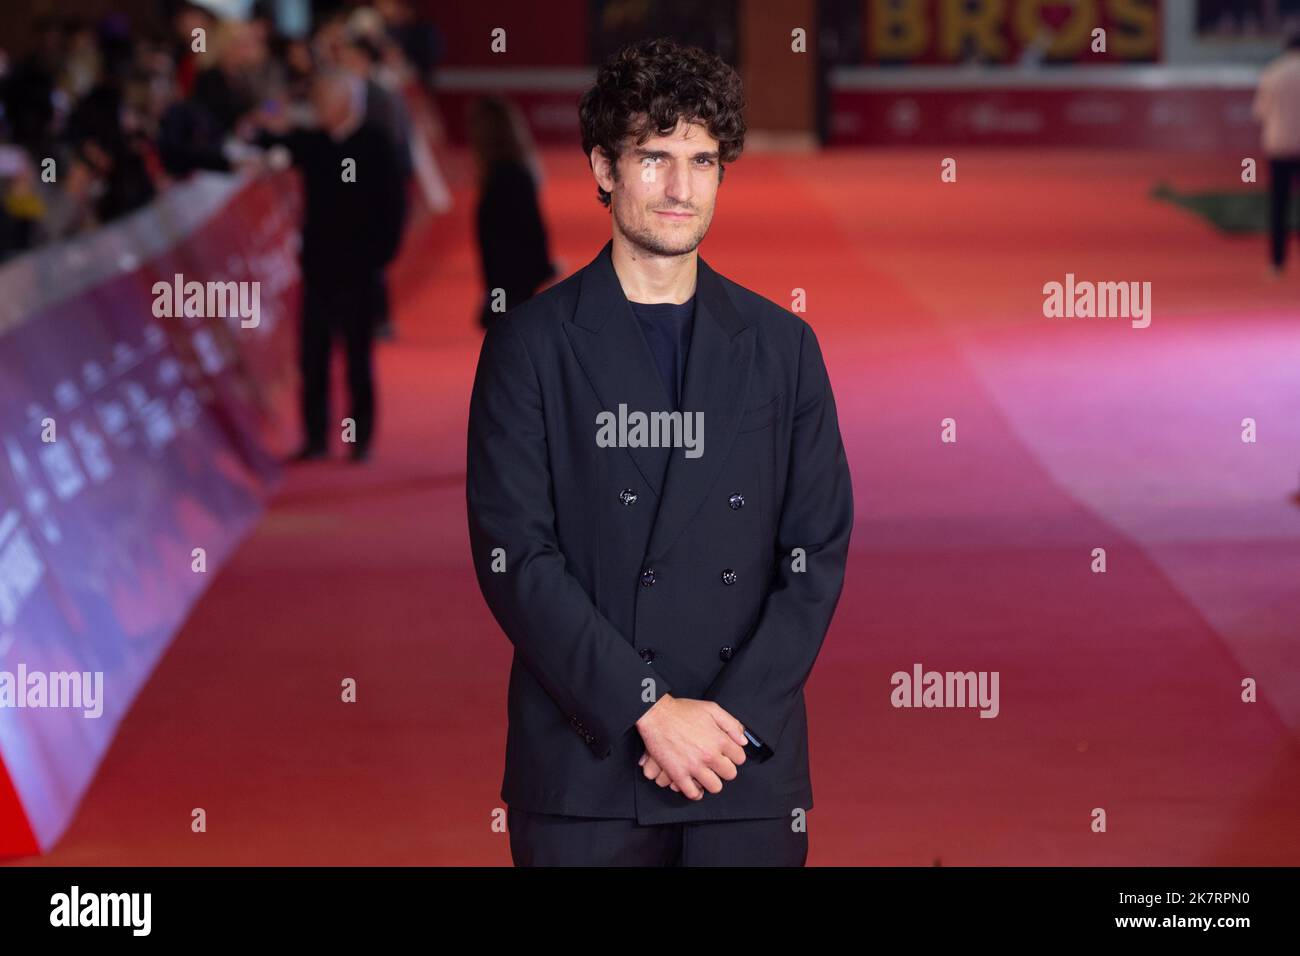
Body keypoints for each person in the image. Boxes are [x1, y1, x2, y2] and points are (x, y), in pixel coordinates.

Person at [465, 37, 854, 866]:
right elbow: (515, 556)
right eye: (654, 158)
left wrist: (729, 721)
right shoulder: (530, 346)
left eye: (702, 161)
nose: (681, 188)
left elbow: (816, 552)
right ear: (604, 168)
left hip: (740, 764)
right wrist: (646, 707)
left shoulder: (782, 348)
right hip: (586, 768)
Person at [261, 69, 406, 463]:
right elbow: (267, 142)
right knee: (313, 357)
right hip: (319, 270)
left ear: (345, 103)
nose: (317, 107)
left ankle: (360, 438)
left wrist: (380, 256)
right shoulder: (313, 143)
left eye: (324, 100)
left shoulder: (375, 144)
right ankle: (316, 437)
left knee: (358, 359)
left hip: (360, 272)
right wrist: (269, 111)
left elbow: (394, 205)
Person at [468, 95, 556, 330]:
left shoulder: (505, 179)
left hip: (510, 282)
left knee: (507, 336)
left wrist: (495, 294)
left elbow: (526, 230)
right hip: (514, 281)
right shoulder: (511, 174)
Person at [1253, 30, 1300, 275]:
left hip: (1278, 144)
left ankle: (1277, 262)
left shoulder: (1272, 73)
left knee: (1279, 205)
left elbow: (1260, 112)